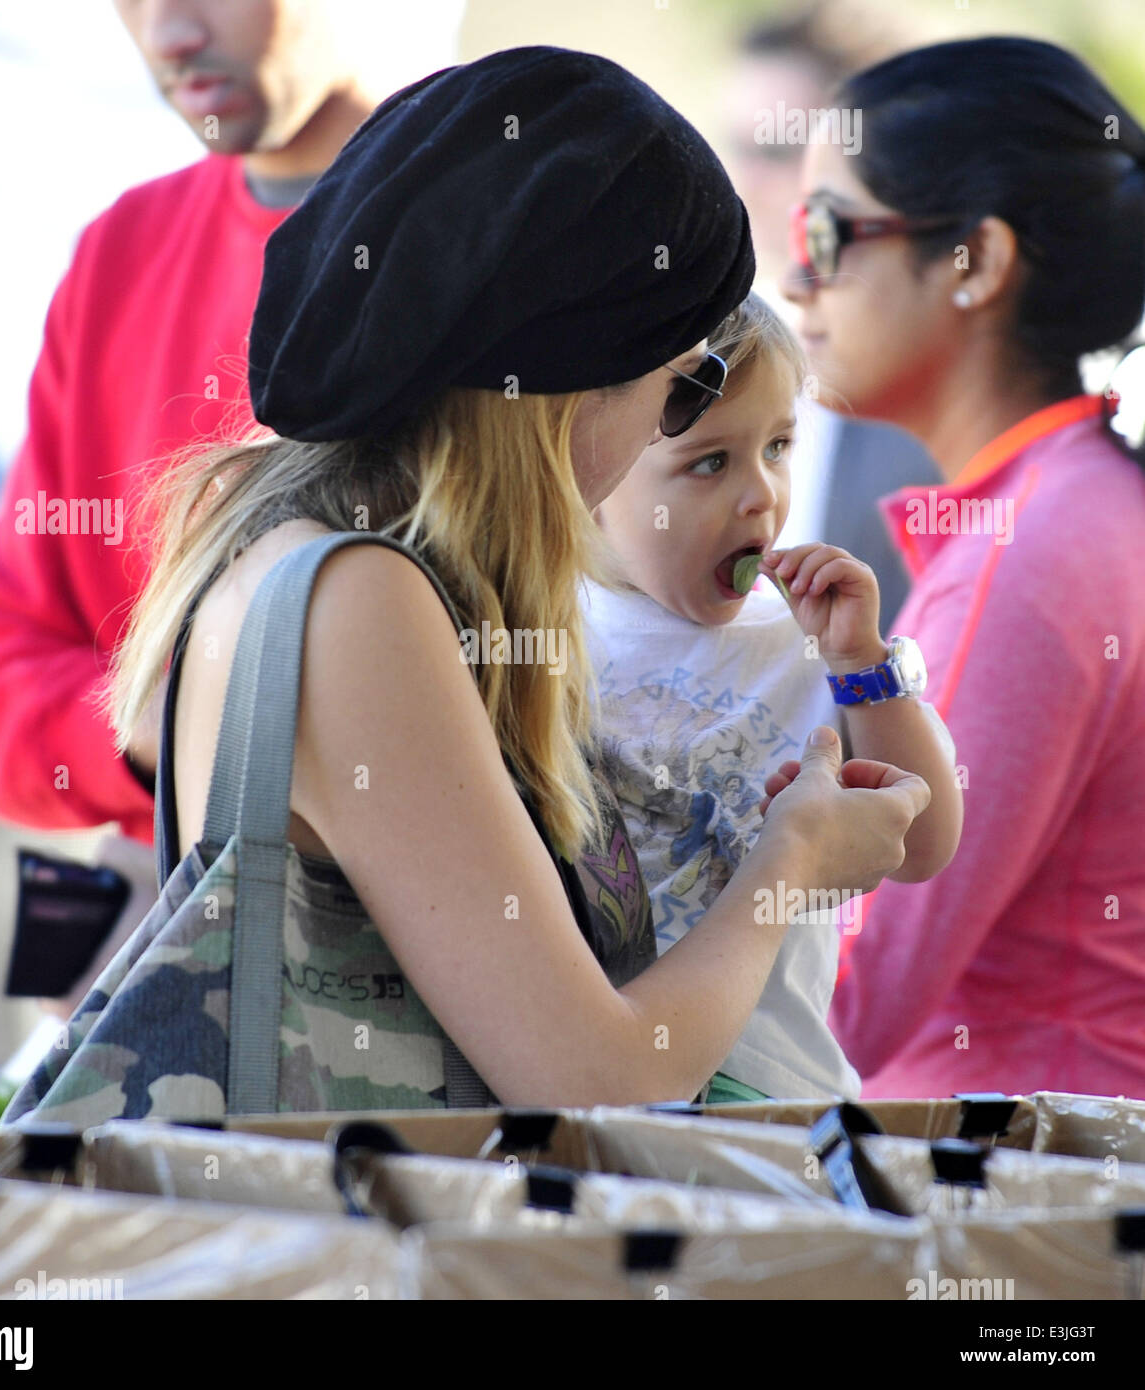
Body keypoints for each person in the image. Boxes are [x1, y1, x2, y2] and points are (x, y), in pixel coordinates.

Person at [100, 46, 932, 1108]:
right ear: (569, 385)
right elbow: (599, 1078)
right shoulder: (359, 598)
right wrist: (792, 860)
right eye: (684, 392)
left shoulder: (312, 543)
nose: (658, 440)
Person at [780, 36, 1145, 1097]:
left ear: (975, 262)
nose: (796, 275)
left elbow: (841, 1003)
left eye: (828, 230)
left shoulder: (1029, 552)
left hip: (1027, 1209)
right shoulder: (1077, 503)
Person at [0, 0, 382, 846]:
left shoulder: (505, 224)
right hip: (202, 901)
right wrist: (164, 721)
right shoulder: (121, 253)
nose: (168, 32)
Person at [584, 292, 960, 1102]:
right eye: (709, 463)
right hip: (595, 1068)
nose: (762, 495)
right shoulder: (541, 636)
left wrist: (859, 661)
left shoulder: (810, 643)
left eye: (779, 446)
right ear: (594, 471)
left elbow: (925, 840)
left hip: (773, 1086)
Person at [717, 2, 940, 632]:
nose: (748, 179)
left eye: (783, 148)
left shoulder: (931, 402)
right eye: (736, 146)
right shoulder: (679, 365)